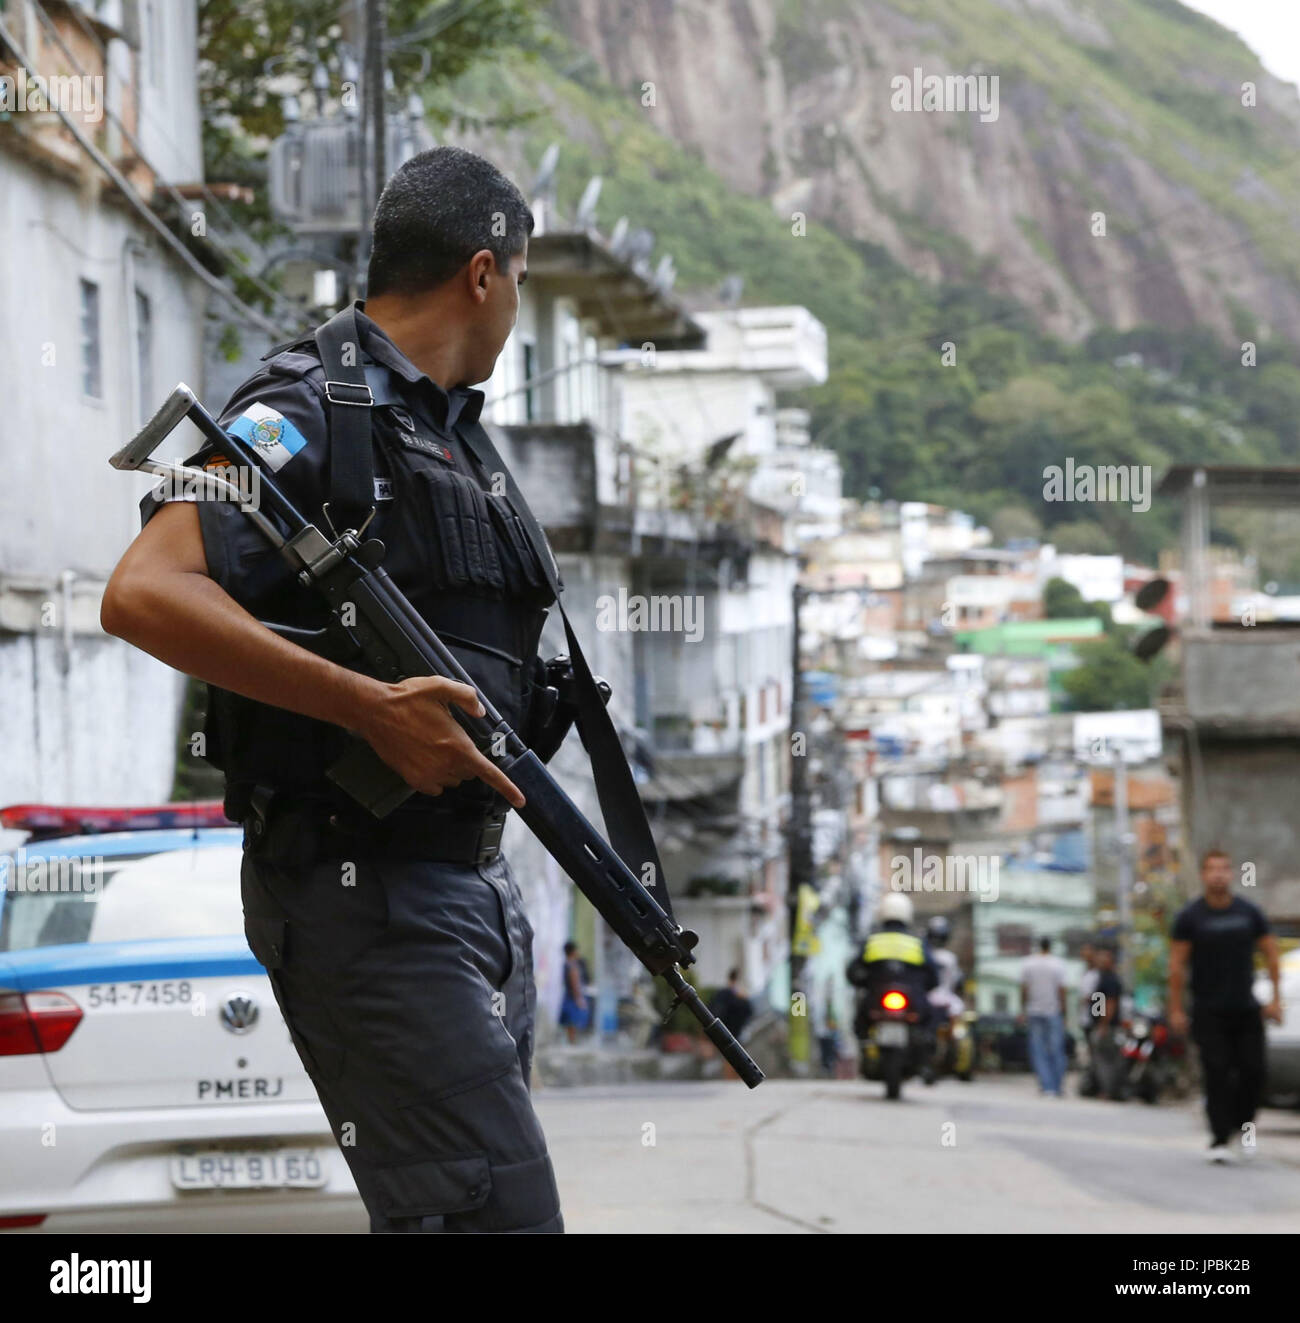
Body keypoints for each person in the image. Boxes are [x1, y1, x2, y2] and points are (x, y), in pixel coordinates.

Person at [101, 147, 566, 1232]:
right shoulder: (309, 409)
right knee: (499, 1218)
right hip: (365, 889)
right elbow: (144, 593)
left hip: (472, 890)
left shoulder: (452, 437)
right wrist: (362, 709)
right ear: (483, 274)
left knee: (464, 1215)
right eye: (525, 281)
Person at [1169, 848, 1283, 1163]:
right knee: (1217, 1072)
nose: (1218, 874)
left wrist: (1275, 999)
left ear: (1231, 874)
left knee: (1254, 1071)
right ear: (1203, 875)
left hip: (1246, 1007)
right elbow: (1176, 966)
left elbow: (1271, 955)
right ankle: (1219, 1138)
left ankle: (1244, 1131)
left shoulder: (1248, 913)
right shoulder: (1191, 917)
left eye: (1224, 868)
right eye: (1212, 869)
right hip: (1208, 1010)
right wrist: (1176, 1008)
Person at [846, 893, 940, 1037]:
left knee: (861, 1025)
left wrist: (864, 983)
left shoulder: (872, 940)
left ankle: (864, 1043)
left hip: (875, 1002)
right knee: (929, 1024)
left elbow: (852, 971)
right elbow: (933, 974)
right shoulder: (918, 942)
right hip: (914, 1003)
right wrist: (923, 986)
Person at [1019, 936, 1068, 1097]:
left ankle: (1046, 1086)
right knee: (1056, 1049)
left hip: (1034, 1010)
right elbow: (1062, 990)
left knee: (1038, 1050)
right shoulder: (1058, 964)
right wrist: (1064, 1012)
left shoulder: (1028, 963)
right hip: (1053, 1011)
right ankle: (1056, 1086)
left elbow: (1024, 989)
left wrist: (1022, 1009)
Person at [1087, 945, 1125, 1101]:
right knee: (1101, 1059)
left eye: (1104, 958)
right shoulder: (1101, 977)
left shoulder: (1110, 979)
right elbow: (1099, 1001)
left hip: (1107, 1026)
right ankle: (1104, 1089)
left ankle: (1108, 1091)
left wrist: (1103, 1025)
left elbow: (1109, 1003)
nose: (1101, 961)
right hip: (1099, 1023)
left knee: (1105, 1060)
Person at [1075, 940, 1101, 1095]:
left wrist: (1099, 1020)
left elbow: (1101, 997)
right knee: (1091, 1055)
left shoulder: (1098, 974)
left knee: (1097, 1054)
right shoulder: (1086, 973)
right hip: (1086, 1019)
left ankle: (1099, 1085)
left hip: (1095, 1021)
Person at [559, 941, 591, 1043]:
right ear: (573, 951)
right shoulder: (572, 965)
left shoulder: (566, 963)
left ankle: (571, 1040)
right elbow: (575, 982)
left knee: (570, 1022)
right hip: (572, 997)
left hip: (569, 995)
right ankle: (572, 1041)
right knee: (573, 1021)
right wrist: (579, 998)